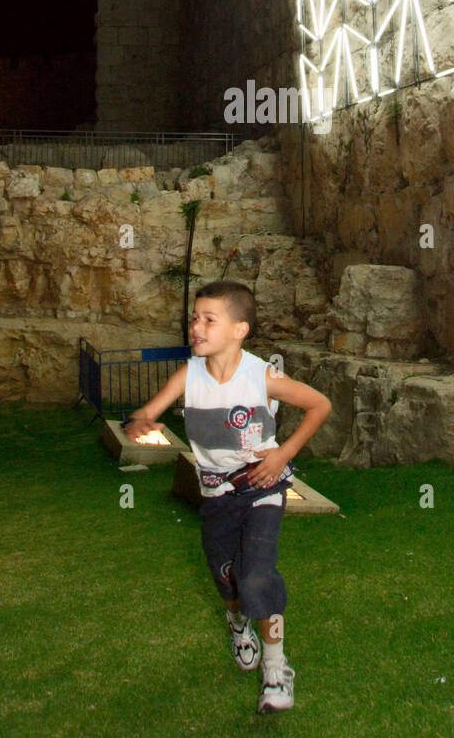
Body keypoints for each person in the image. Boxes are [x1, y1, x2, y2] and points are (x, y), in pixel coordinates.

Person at [123, 280, 331, 713]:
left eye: (208, 320)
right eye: (194, 318)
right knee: (226, 578)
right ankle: (238, 623)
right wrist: (141, 420)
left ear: (240, 330)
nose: (196, 327)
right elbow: (147, 412)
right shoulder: (188, 375)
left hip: (262, 487)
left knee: (258, 576)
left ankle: (276, 669)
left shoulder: (262, 376)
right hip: (216, 496)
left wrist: (283, 454)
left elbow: (319, 405)